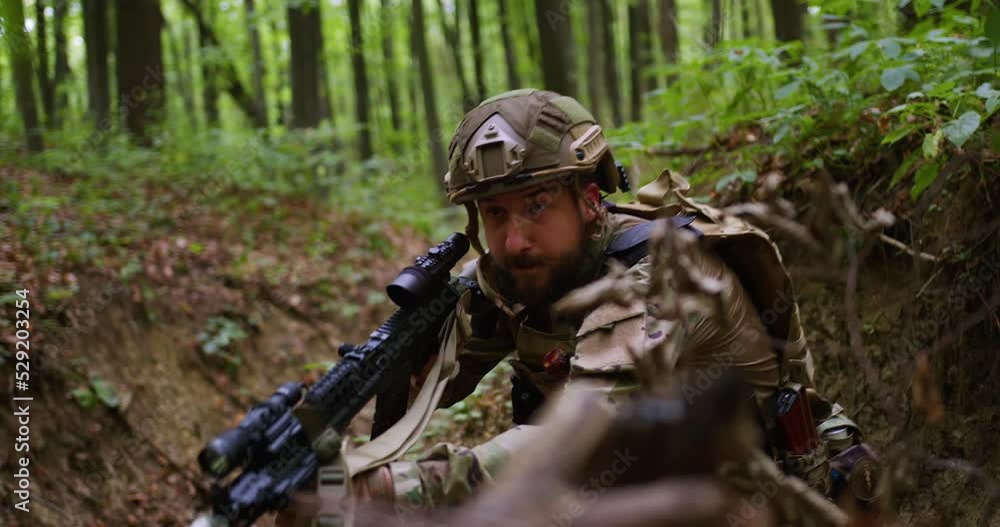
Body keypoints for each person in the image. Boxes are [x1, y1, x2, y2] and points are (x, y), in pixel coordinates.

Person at [276, 89, 860, 525]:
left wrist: (378, 491)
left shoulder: (664, 279)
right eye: (494, 214)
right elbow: (422, 392)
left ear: (588, 200)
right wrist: (327, 448)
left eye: (535, 206)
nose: (513, 240)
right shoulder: (522, 274)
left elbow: (577, 436)